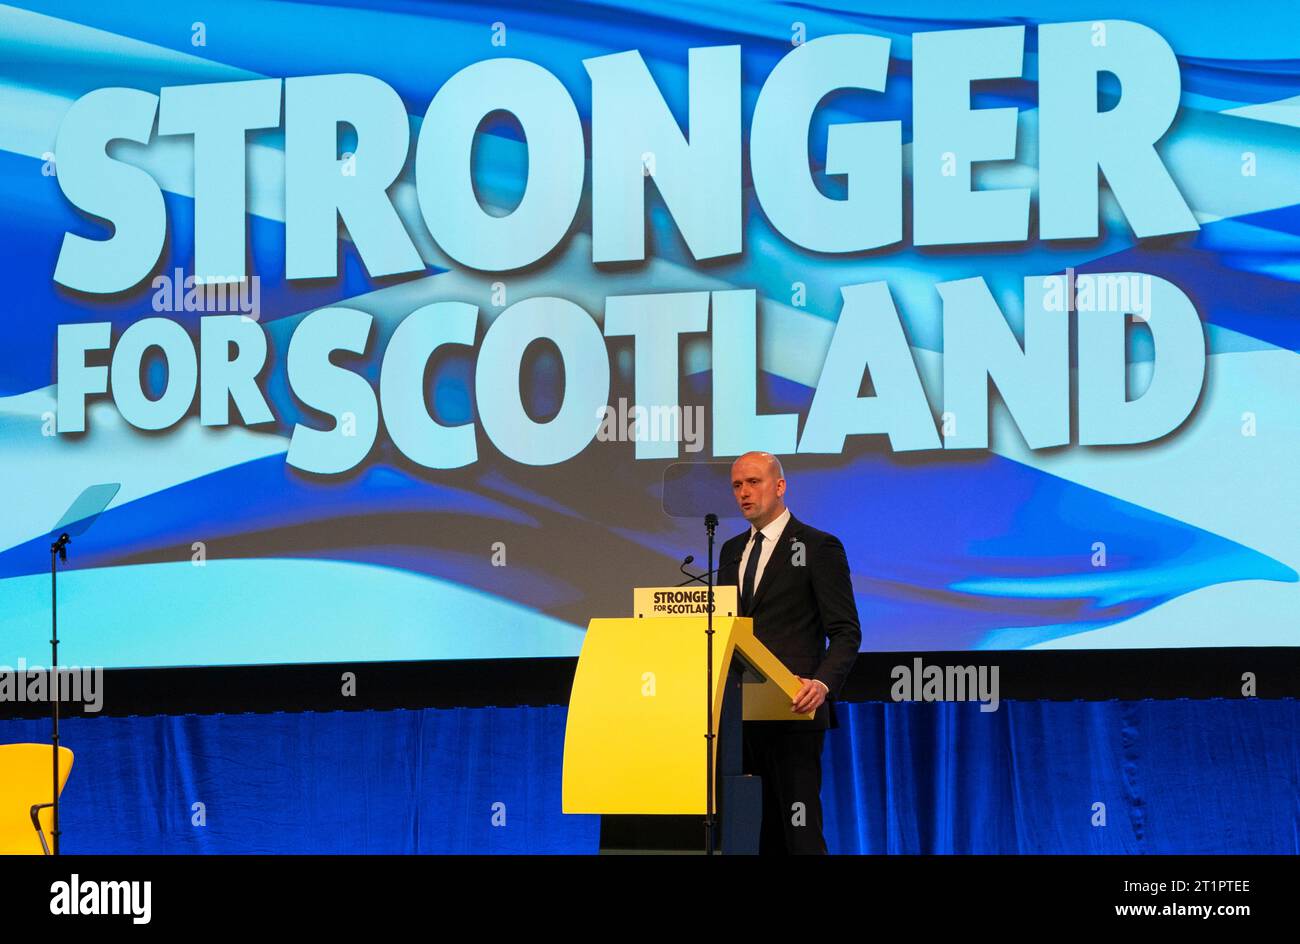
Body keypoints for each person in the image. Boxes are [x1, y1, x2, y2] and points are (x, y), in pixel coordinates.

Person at [717, 451, 860, 854]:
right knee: (747, 835)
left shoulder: (818, 547)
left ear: (779, 486)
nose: (744, 493)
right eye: (737, 485)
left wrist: (822, 684)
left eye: (754, 482)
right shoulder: (729, 552)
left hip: (793, 711)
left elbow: (846, 631)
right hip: (737, 718)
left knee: (798, 833)